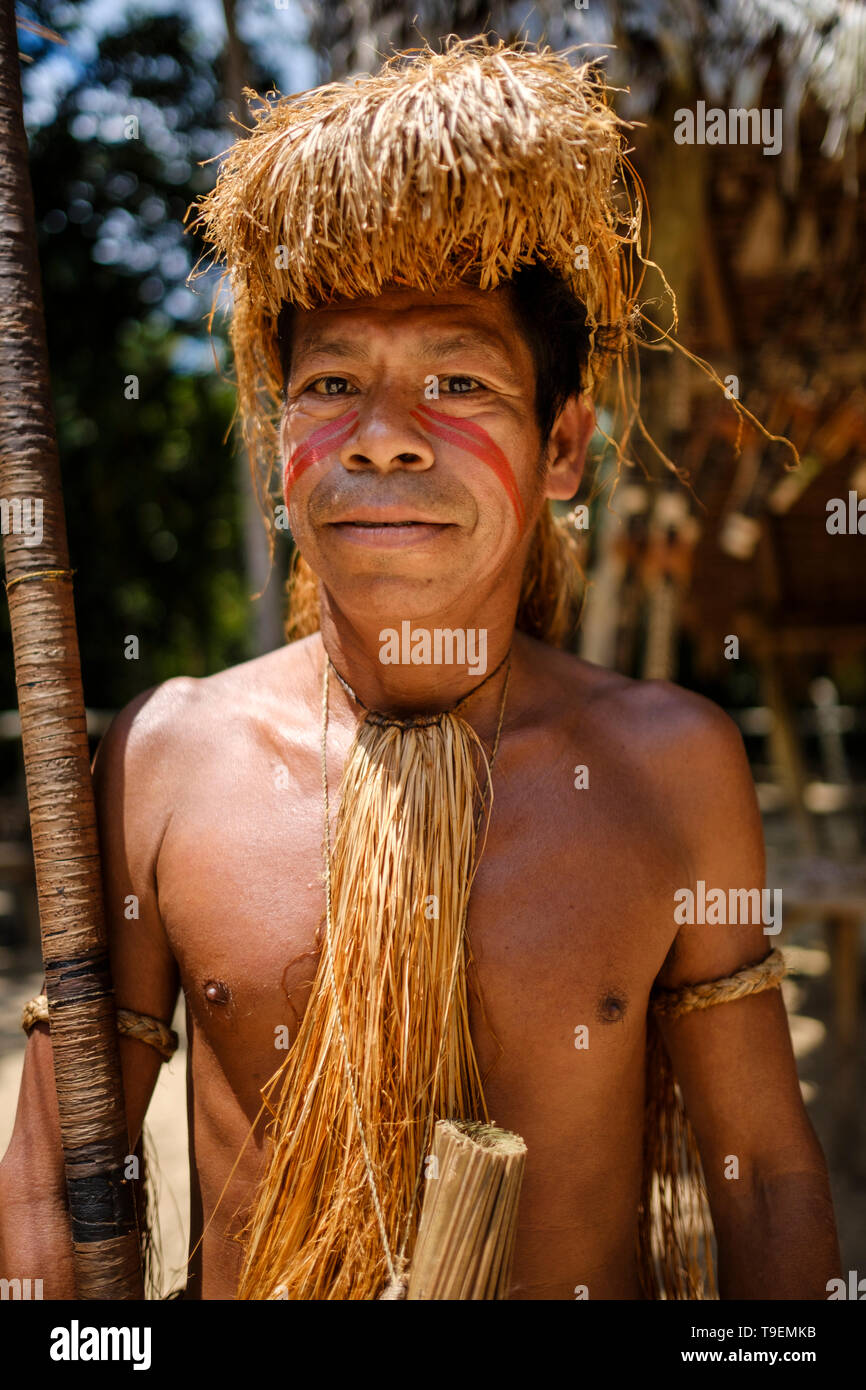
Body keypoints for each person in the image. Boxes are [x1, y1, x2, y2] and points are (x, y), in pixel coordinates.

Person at [0, 37, 840, 1301]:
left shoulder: (670, 768)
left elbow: (766, 1180)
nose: (383, 438)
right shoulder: (170, 757)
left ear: (561, 446)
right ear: (276, 437)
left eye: (456, 382)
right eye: (330, 385)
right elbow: (57, 1186)